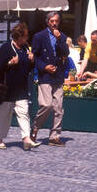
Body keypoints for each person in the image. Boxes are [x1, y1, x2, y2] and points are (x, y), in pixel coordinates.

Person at [0, 21, 38, 150]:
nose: (27, 38)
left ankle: (26, 139)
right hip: (7, 88)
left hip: (21, 87)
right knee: (4, 115)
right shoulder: (6, 48)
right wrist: (9, 63)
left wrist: (32, 61)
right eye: (25, 36)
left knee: (23, 112)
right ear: (19, 36)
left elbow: (28, 67)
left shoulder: (25, 48)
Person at [31, 12, 71, 145]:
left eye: (56, 21)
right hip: (45, 76)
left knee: (58, 107)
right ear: (47, 22)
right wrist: (44, 67)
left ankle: (54, 136)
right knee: (46, 105)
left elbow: (66, 53)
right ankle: (35, 129)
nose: (54, 23)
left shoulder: (62, 36)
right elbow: (34, 57)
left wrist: (60, 39)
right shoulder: (39, 36)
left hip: (58, 75)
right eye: (52, 21)